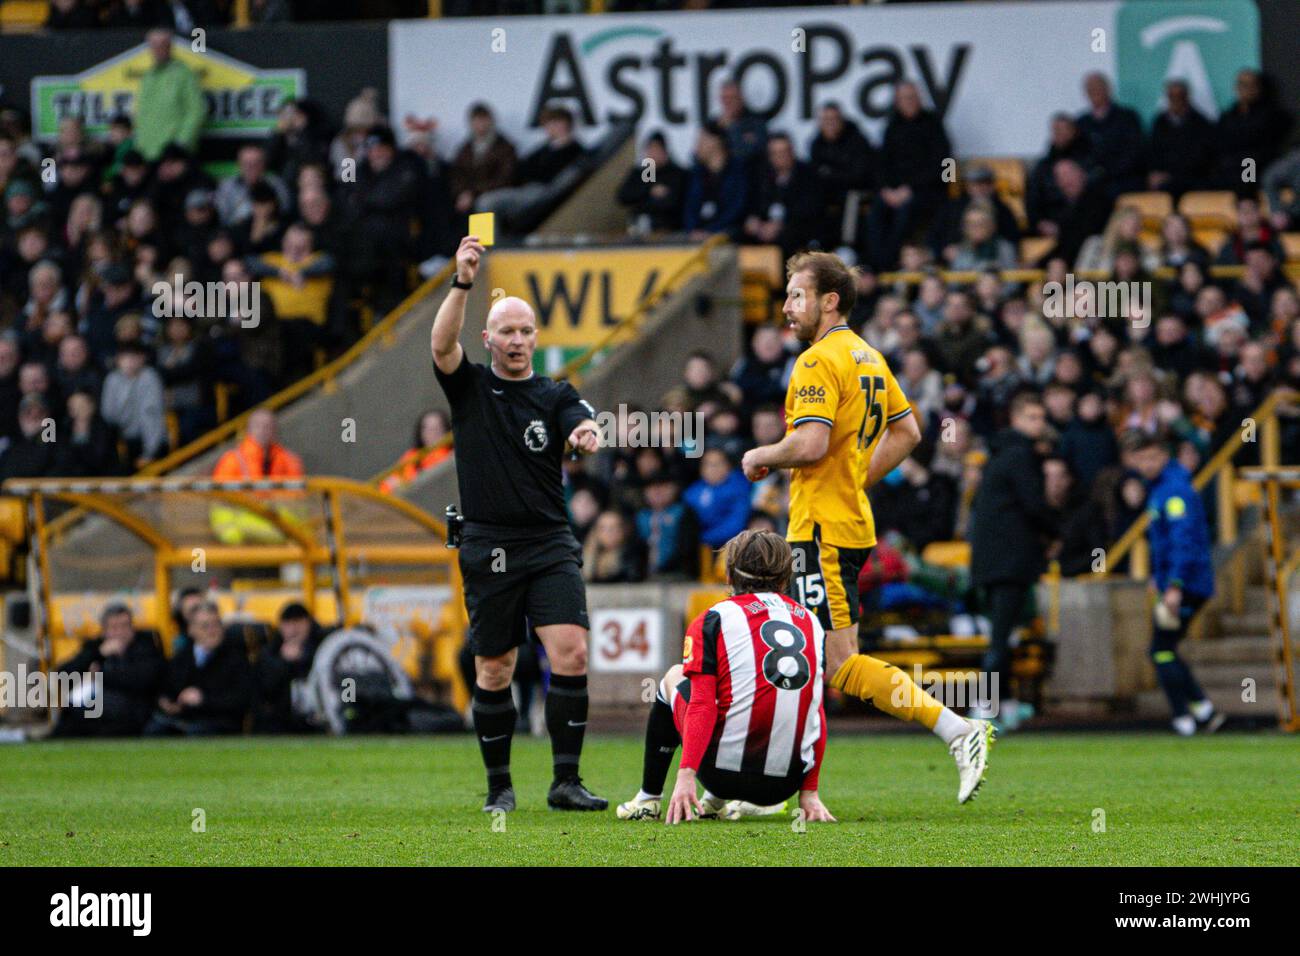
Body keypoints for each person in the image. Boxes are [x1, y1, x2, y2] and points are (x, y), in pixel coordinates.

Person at [740, 250, 993, 803]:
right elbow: (909, 433)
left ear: (829, 301)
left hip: (820, 533)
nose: (786, 306)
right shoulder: (869, 356)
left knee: (834, 664)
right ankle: (747, 785)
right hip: (847, 524)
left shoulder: (816, 361)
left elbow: (808, 444)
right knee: (801, 661)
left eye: (797, 295)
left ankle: (958, 730)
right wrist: (856, 477)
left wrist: (761, 453)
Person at [432, 234, 606, 813]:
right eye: (506, 331)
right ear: (489, 339)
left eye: (525, 331)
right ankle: (499, 788)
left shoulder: (554, 393)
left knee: (572, 653)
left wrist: (586, 434)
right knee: (494, 665)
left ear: (536, 338)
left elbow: (583, 421)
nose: (516, 340)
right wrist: (462, 280)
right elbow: (440, 343)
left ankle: (565, 782)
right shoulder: (471, 387)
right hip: (488, 544)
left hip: (549, 542)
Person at [616, 530, 833, 823]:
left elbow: (703, 704)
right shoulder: (811, 622)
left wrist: (686, 774)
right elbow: (815, 709)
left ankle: (648, 799)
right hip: (785, 783)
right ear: (785, 579)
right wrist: (809, 792)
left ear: (729, 576)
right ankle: (715, 803)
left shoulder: (714, 618)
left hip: (719, 774)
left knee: (674, 677)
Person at [1123, 430, 1225, 735]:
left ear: (1164, 455)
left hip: (1186, 584)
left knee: (1161, 650)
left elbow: (1184, 542)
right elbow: (1164, 543)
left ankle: (1185, 717)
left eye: (1152, 457)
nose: (1146, 464)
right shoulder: (1160, 488)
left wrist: (1175, 585)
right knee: (1165, 648)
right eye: (1141, 459)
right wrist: (1159, 577)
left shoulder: (1175, 490)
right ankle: (1203, 711)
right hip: (1175, 582)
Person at [968, 392, 1058, 729]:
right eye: (1033, 417)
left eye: (1041, 417)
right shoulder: (1021, 455)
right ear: (1017, 419)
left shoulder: (999, 454)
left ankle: (1002, 704)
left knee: (1002, 635)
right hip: (1011, 561)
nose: (1040, 423)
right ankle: (986, 705)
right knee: (1001, 638)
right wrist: (1057, 531)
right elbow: (1034, 505)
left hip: (991, 561)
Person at [50, 603, 164, 737]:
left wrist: (100, 675)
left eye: (125, 626)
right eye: (114, 627)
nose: (120, 632)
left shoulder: (145, 647)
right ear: (104, 631)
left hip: (131, 713)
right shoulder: (95, 648)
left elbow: (144, 680)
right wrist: (99, 654)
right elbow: (63, 674)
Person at [145, 601, 253, 736]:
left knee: (198, 732)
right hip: (181, 719)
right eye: (205, 626)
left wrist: (203, 700)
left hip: (218, 722)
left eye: (216, 624)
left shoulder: (236, 658)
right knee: (155, 730)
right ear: (191, 629)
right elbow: (166, 688)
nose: (212, 631)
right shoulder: (181, 657)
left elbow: (241, 699)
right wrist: (166, 702)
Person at [134, 28, 208, 162]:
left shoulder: (184, 74)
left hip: (174, 157)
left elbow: (196, 111)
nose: (157, 49)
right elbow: (142, 113)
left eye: (162, 45)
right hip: (146, 154)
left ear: (170, 47)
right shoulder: (147, 76)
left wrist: (180, 144)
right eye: (154, 45)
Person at [252, 602, 322, 733]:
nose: (294, 629)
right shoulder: (269, 652)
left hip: (316, 718)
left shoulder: (322, 648)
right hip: (279, 721)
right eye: (288, 623)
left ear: (309, 623)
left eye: (298, 622)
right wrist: (285, 663)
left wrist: (303, 657)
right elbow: (264, 689)